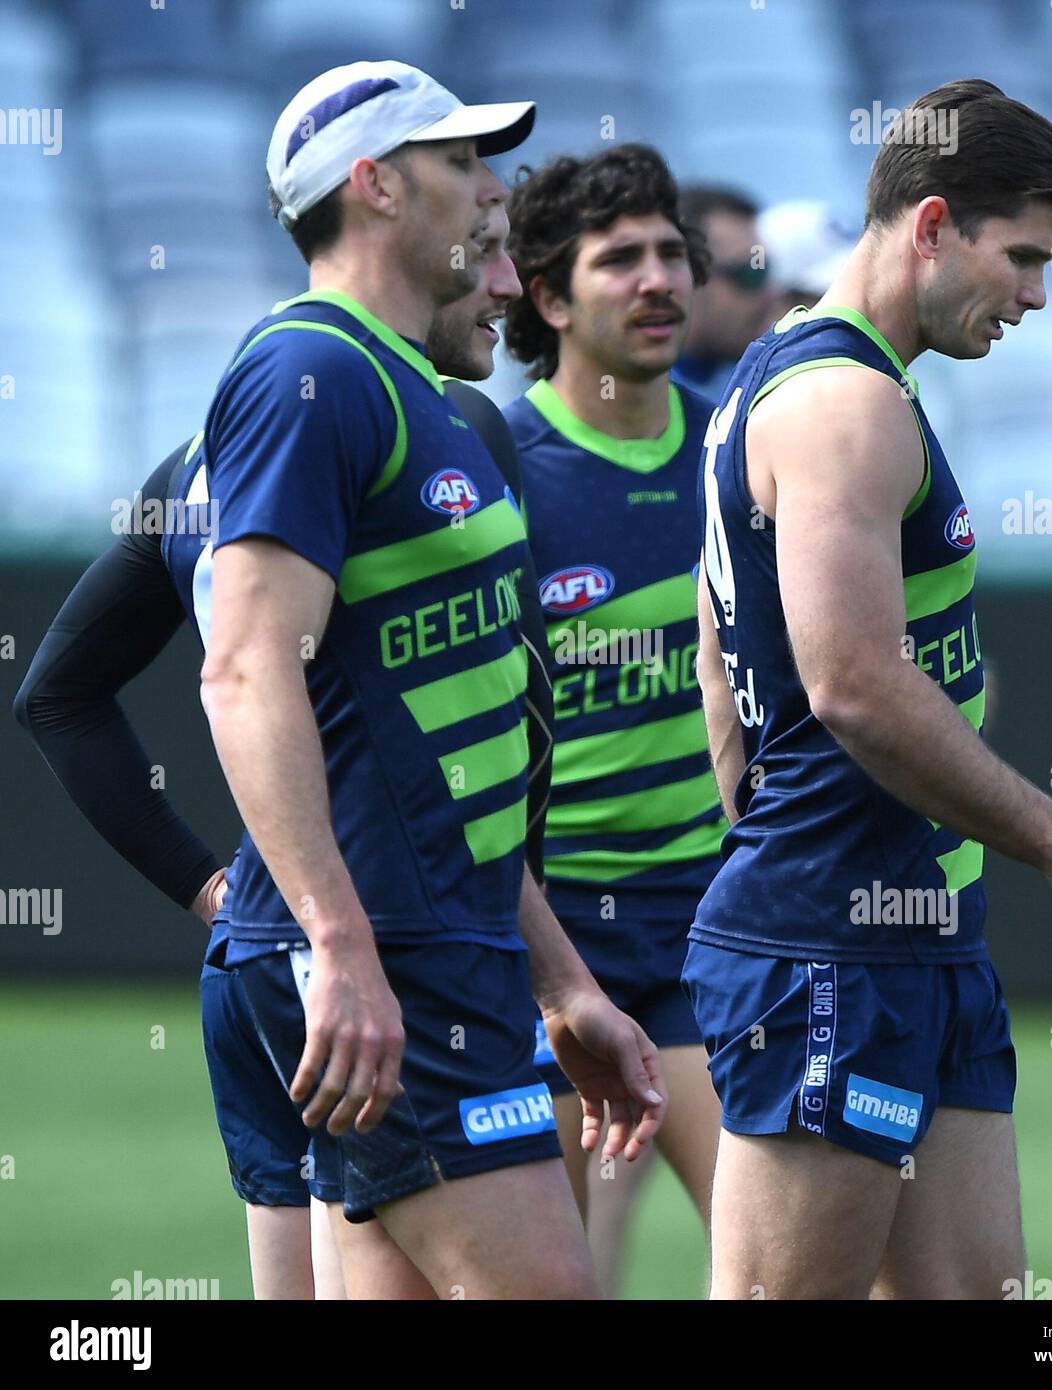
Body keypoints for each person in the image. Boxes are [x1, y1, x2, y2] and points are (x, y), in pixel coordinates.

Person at [686, 78, 1052, 1301]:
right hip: (829, 938)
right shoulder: (843, 403)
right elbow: (852, 684)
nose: (1035, 292)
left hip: (913, 935)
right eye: (1019, 256)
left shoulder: (829, 381)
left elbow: (715, 653)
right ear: (931, 223)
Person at [184, 58, 665, 1301]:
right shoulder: (312, 372)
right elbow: (242, 675)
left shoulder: (430, 395)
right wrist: (339, 943)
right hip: (382, 955)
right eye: (458, 162)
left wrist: (562, 981)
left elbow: (459, 764)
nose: (489, 188)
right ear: (375, 187)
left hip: (454, 952)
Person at [13, 207, 551, 1300]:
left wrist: (222, 894)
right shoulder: (445, 429)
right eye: (489, 255)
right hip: (383, 946)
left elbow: (58, 695)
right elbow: (511, 715)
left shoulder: (198, 462)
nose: (510, 286)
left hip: (271, 949)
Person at [502, 144, 724, 1292]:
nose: (658, 279)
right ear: (547, 296)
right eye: (619, 258)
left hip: (705, 928)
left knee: (792, 1253)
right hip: (544, 938)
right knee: (563, 1278)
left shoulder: (740, 450)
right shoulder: (498, 470)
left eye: (672, 253)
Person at [670, 185, 772, 402]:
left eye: (766, 269)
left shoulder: (748, 380)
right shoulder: (637, 397)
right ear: (690, 277)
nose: (769, 294)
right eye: (750, 274)